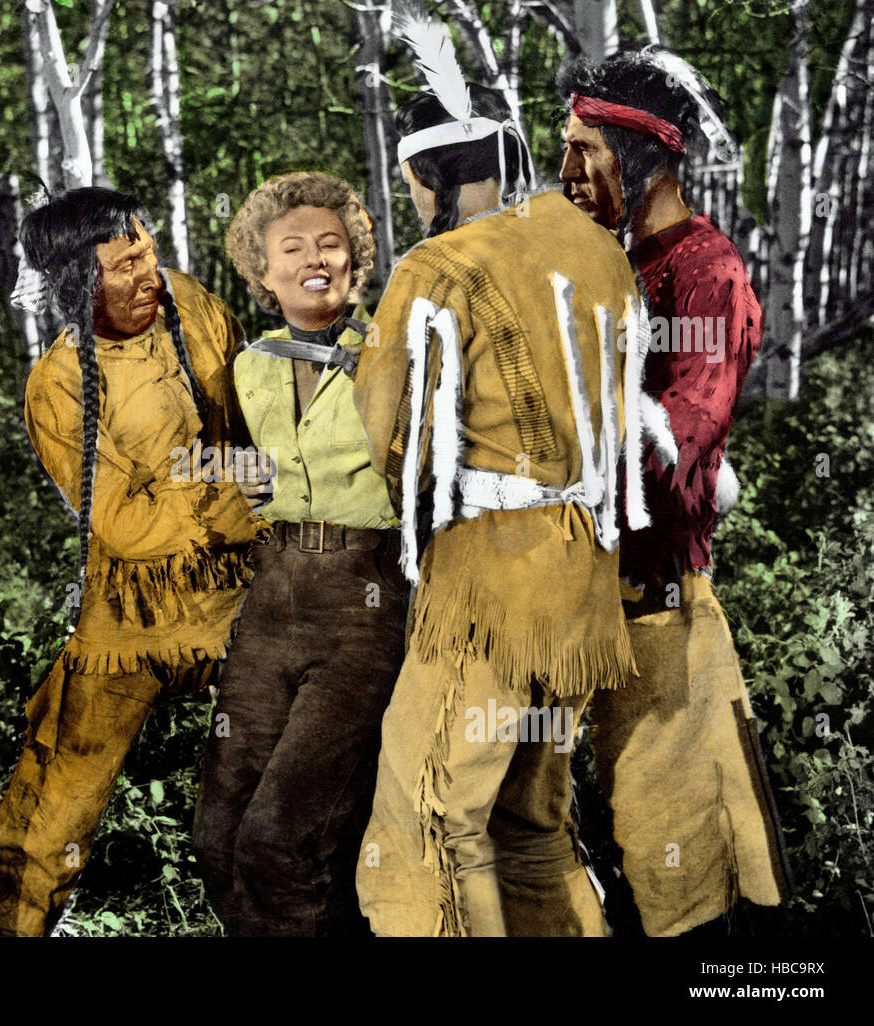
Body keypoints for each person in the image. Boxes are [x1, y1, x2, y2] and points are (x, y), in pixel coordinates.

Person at [352, 16, 663, 937]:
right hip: (579, 577)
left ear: (421, 176)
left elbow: (389, 438)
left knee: (428, 823)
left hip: (490, 581)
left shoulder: (435, 266)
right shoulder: (594, 247)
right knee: (531, 823)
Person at [0, 187, 258, 936]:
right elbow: (128, 523)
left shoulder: (194, 307)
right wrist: (226, 488)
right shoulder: (56, 384)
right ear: (82, 284)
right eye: (128, 264)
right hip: (129, 617)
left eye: (149, 250)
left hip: (245, 592)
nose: (152, 272)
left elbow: (258, 425)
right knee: (55, 798)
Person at [557, 45, 790, 936]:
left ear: (647, 154)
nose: (569, 171)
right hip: (573, 605)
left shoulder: (706, 271)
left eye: (588, 148)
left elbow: (678, 447)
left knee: (684, 877)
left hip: (658, 617)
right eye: (566, 147)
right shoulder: (604, 264)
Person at [192, 172, 406, 936]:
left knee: (282, 840)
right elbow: (232, 473)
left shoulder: (394, 353)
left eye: (332, 244)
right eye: (293, 247)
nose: (316, 259)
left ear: (356, 259)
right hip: (272, 597)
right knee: (216, 839)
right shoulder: (248, 368)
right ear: (262, 269)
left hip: (365, 600)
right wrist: (236, 482)